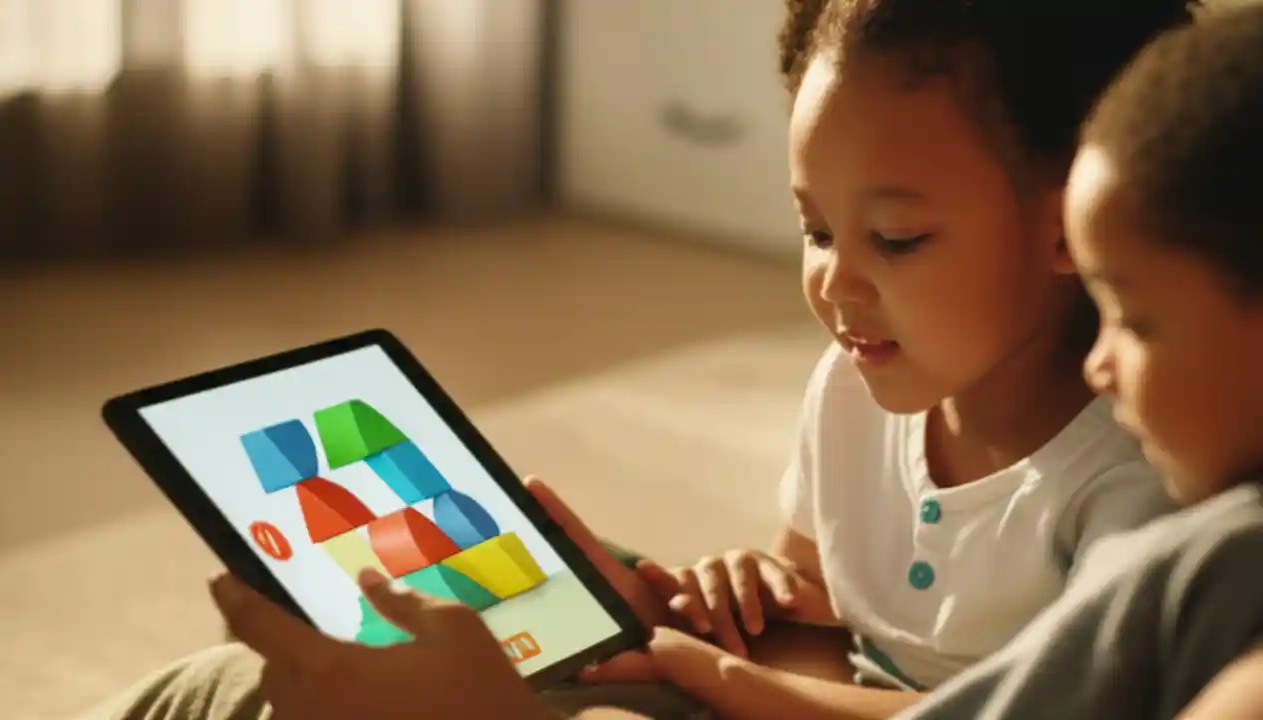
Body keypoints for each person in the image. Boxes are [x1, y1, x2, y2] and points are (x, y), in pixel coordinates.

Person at [86, 0, 1198, 717]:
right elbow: (827, 614)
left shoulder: (1138, 486)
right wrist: (716, 604)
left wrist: (703, 668)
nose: (835, 283)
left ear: (1074, 218)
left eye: (895, 239)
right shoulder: (861, 385)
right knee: (283, 673)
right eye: (815, 229)